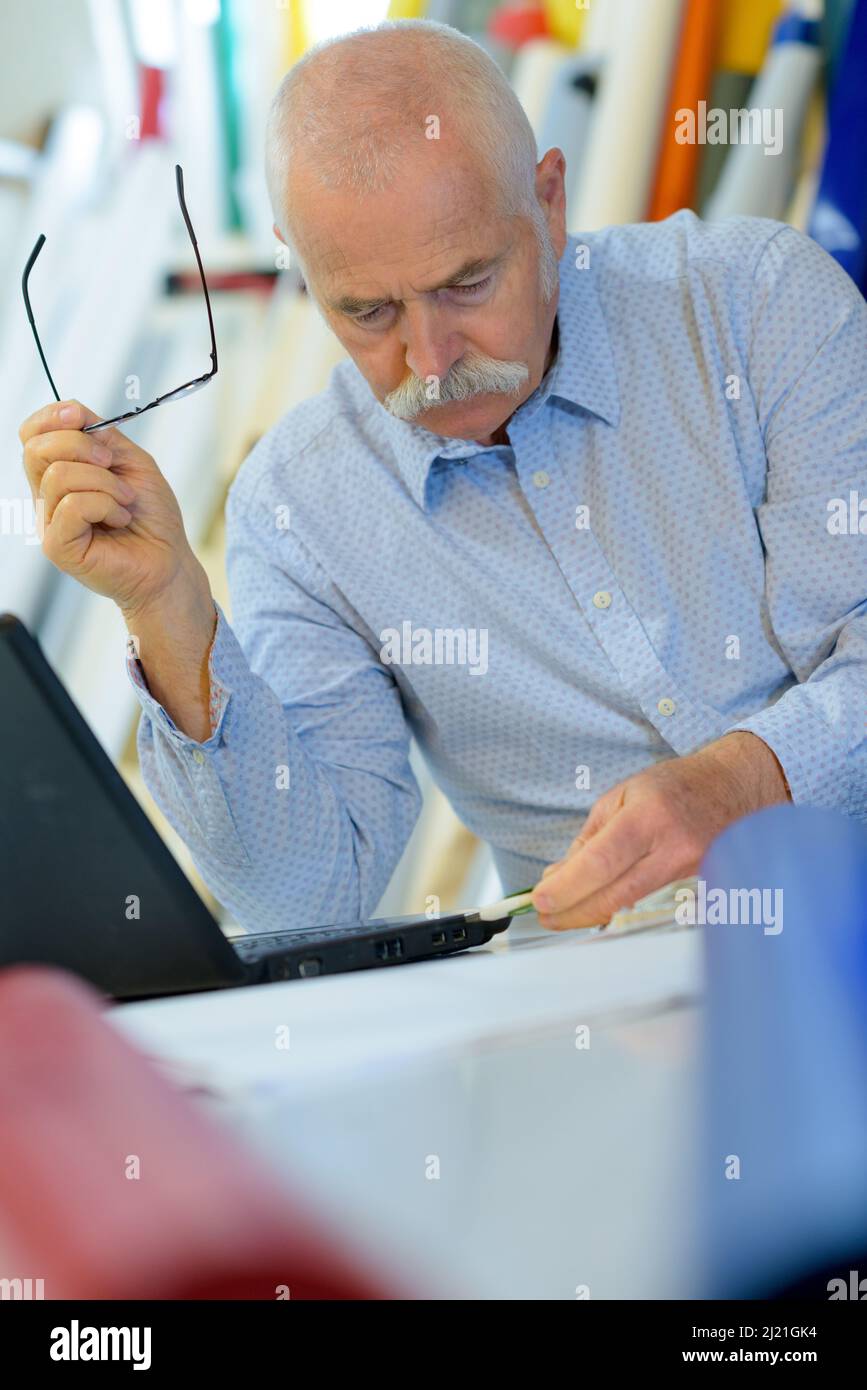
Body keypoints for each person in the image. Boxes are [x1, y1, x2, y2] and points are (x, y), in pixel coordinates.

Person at [18, 20, 867, 934]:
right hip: (604, 1013)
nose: (429, 360)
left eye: (467, 283)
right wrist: (167, 607)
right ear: (300, 266)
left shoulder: (754, 305)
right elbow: (312, 897)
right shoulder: (300, 509)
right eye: (367, 310)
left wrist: (742, 781)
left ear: (548, 201)